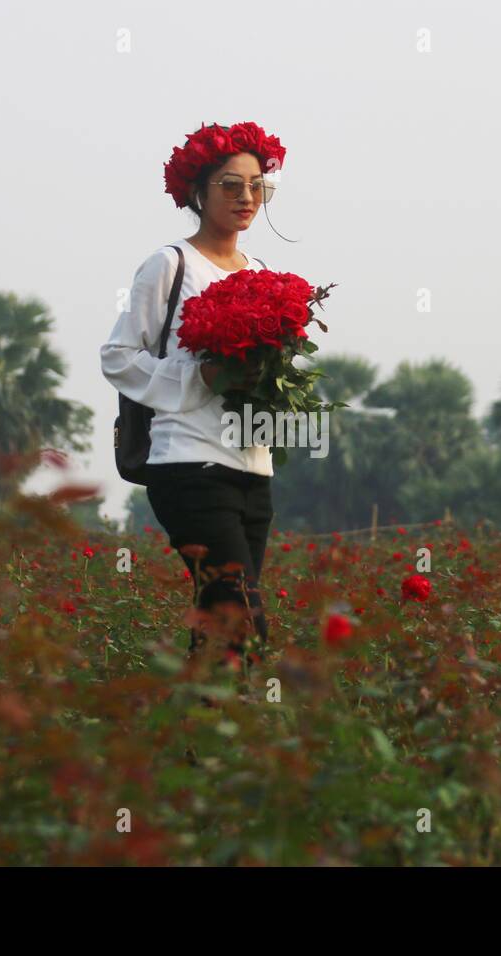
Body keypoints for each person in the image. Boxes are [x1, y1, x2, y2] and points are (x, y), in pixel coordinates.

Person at [101, 121, 287, 663]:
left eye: (257, 186)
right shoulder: (170, 264)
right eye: (230, 185)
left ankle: (200, 742)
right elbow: (117, 356)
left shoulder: (264, 274)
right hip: (188, 467)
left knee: (220, 630)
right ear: (197, 192)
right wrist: (196, 378)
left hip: (253, 470)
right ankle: (220, 740)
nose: (246, 197)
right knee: (243, 621)